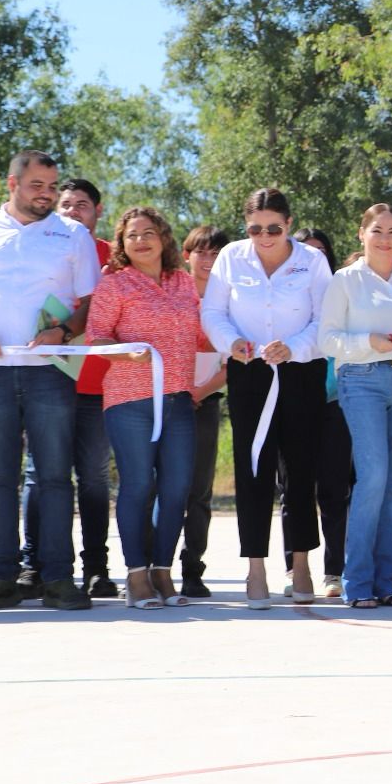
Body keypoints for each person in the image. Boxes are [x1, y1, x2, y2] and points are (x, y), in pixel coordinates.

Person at [0, 150, 101, 612]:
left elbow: (92, 300)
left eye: (52, 186)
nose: (46, 194)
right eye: (36, 185)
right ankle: (0, 577)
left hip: (51, 370)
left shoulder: (73, 235)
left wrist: (64, 330)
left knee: (53, 475)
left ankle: (59, 579)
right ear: (13, 183)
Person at [200, 187, 333, 609]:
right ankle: (254, 566)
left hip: (301, 372)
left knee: (299, 470)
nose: (265, 236)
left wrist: (294, 346)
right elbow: (213, 313)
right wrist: (232, 342)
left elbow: (324, 320)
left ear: (289, 224)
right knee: (253, 468)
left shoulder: (312, 262)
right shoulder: (231, 258)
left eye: (274, 228)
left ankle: (301, 563)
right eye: (256, 229)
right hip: (249, 374)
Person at [318, 203, 392, 608]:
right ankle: (357, 581)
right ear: (361, 234)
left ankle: (386, 581)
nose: (385, 239)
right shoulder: (345, 280)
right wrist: (369, 342)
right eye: (377, 231)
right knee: (373, 477)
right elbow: (327, 340)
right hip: (362, 380)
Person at [84, 207, 200, 610]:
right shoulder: (115, 285)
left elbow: (203, 331)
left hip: (179, 400)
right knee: (137, 485)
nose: (141, 241)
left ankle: (163, 571)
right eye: (131, 236)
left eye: (148, 233)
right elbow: (96, 339)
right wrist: (124, 353)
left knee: (176, 488)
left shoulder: (184, 282)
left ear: (164, 238)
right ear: (122, 244)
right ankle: (136, 575)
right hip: (129, 401)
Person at [20, 178, 113, 599]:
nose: (73, 212)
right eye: (66, 205)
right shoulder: (37, 245)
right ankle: (32, 564)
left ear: (97, 212)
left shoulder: (113, 257)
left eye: (82, 205)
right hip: (47, 378)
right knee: (40, 475)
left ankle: (96, 566)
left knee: (93, 477)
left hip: (96, 384)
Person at [292, 227, 353, 597]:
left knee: (334, 490)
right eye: (306, 252)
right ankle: (292, 567)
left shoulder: (343, 291)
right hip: (294, 398)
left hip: (335, 400)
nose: (314, 258)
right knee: (294, 489)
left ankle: (334, 571)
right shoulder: (287, 296)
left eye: (321, 252)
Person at [177, 225, 230, 598]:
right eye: (202, 252)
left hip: (205, 402)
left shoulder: (231, 298)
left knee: (199, 493)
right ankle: (154, 566)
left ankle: (193, 568)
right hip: (164, 399)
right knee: (159, 488)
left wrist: (199, 391)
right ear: (186, 255)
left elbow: (233, 361)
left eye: (216, 254)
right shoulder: (170, 291)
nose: (208, 261)